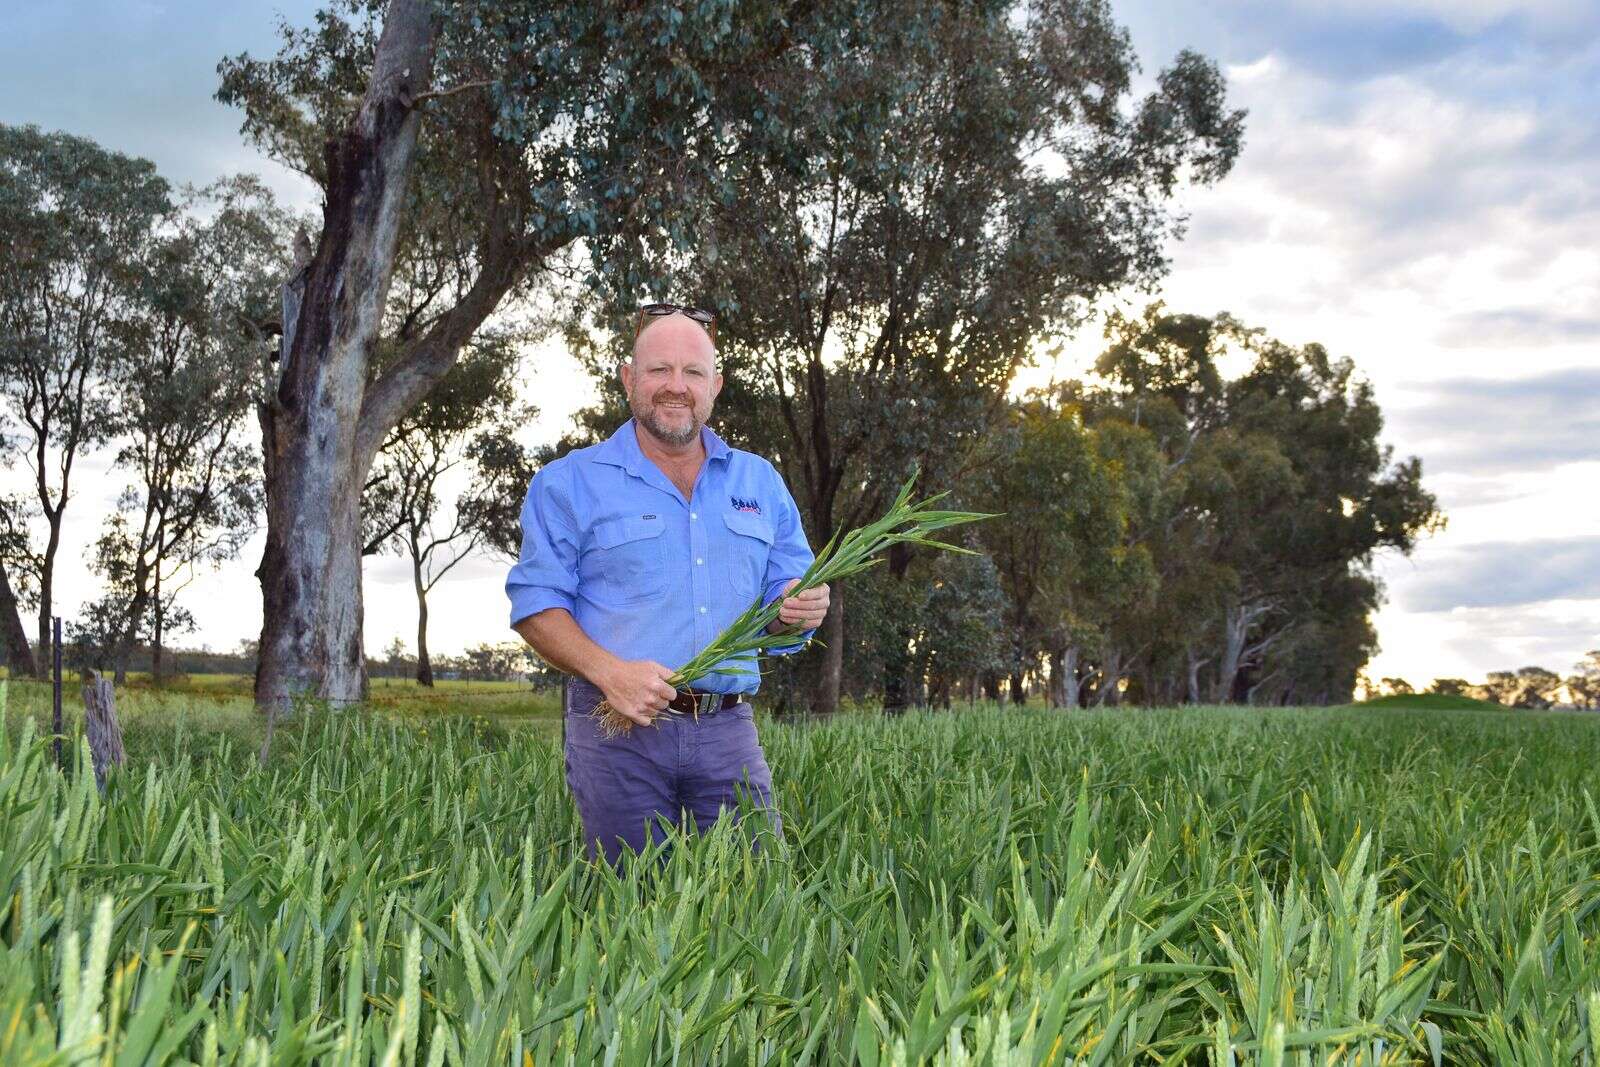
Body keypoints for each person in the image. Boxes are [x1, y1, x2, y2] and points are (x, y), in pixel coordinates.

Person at [506, 303, 831, 864]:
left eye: (692, 372)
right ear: (630, 379)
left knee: (755, 901)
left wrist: (794, 609)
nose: (675, 387)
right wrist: (611, 674)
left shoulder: (761, 480)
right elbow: (536, 606)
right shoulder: (569, 483)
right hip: (617, 733)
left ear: (715, 386)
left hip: (729, 730)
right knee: (626, 906)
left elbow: (784, 597)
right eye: (658, 370)